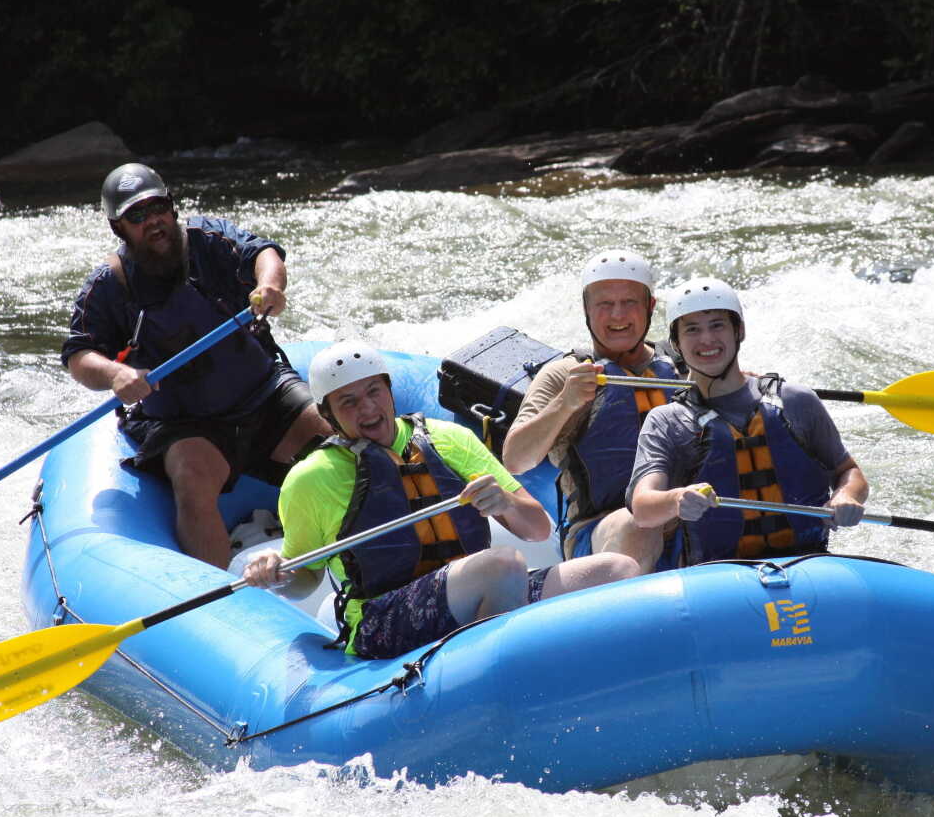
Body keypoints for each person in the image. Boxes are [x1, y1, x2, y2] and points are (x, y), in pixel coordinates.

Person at [243, 341, 639, 659]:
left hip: (477, 591)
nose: (367, 408)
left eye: (373, 392)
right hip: (382, 620)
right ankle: (493, 684)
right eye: (348, 402)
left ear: (389, 391)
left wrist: (501, 502)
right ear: (328, 415)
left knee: (616, 569)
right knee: (502, 565)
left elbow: (537, 529)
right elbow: (303, 580)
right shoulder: (312, 478)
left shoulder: (450, 440)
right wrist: (277, 572)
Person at [63, 162, 331, 568]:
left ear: (172, 208)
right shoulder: (108, 285)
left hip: (265, 392)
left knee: (335, 441)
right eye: (137, 215)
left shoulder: (208, 240)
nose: (153, 221)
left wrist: (269, 284)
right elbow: (79, 354)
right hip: (186, 422)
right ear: (120, 229)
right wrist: (116, 374)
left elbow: (265, 253)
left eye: (158, 208)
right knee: (190, 479)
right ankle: (223, 597)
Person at [628, 278, 869, 563]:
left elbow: (849, 471)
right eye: (692, 329)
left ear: (739, 331)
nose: (706, 340)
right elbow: (642, 508)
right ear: (676, 344)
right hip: (715, 575)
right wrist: (677, 499)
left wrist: (846, 496)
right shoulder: (667, 421)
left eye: (717, 325)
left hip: (809, 563)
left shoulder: (795, 401)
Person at [500, 251, 681, 570]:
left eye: (629, 302)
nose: (617, 315)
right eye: (604, 304)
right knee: (640, 523)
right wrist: (564, 404)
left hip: (684, 516)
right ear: (586, 309)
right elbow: (516, 459)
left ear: (650, 307)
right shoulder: (564, 374)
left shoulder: (682, 370)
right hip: (602, 530)